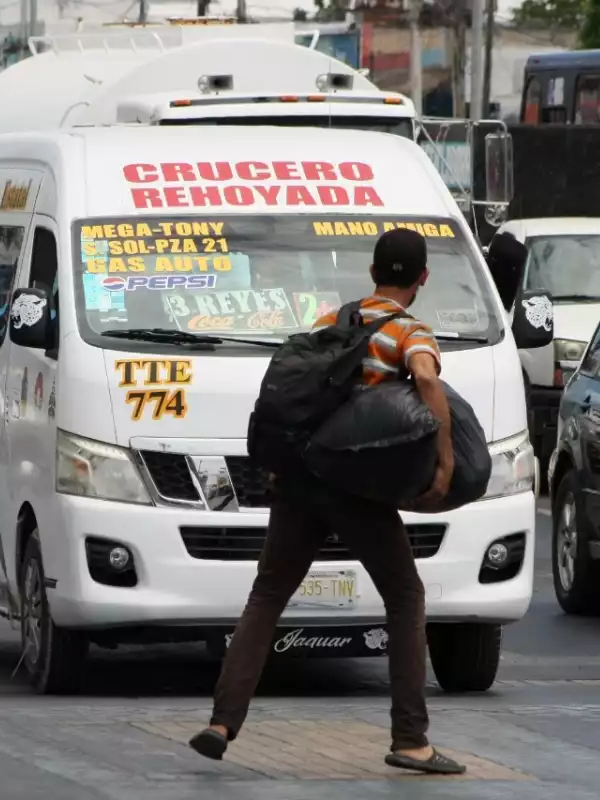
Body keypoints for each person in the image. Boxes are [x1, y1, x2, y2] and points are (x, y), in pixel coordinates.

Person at [189, 228, 464, 775]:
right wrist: (446, 456)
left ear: (372, 273)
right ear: (423, 279)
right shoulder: (408, 332)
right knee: (406, 597)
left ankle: (221, 723)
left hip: (297, 477)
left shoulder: (330, 323)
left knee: (267, 595)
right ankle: (411, 740)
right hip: (353, 488)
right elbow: (428, 379)